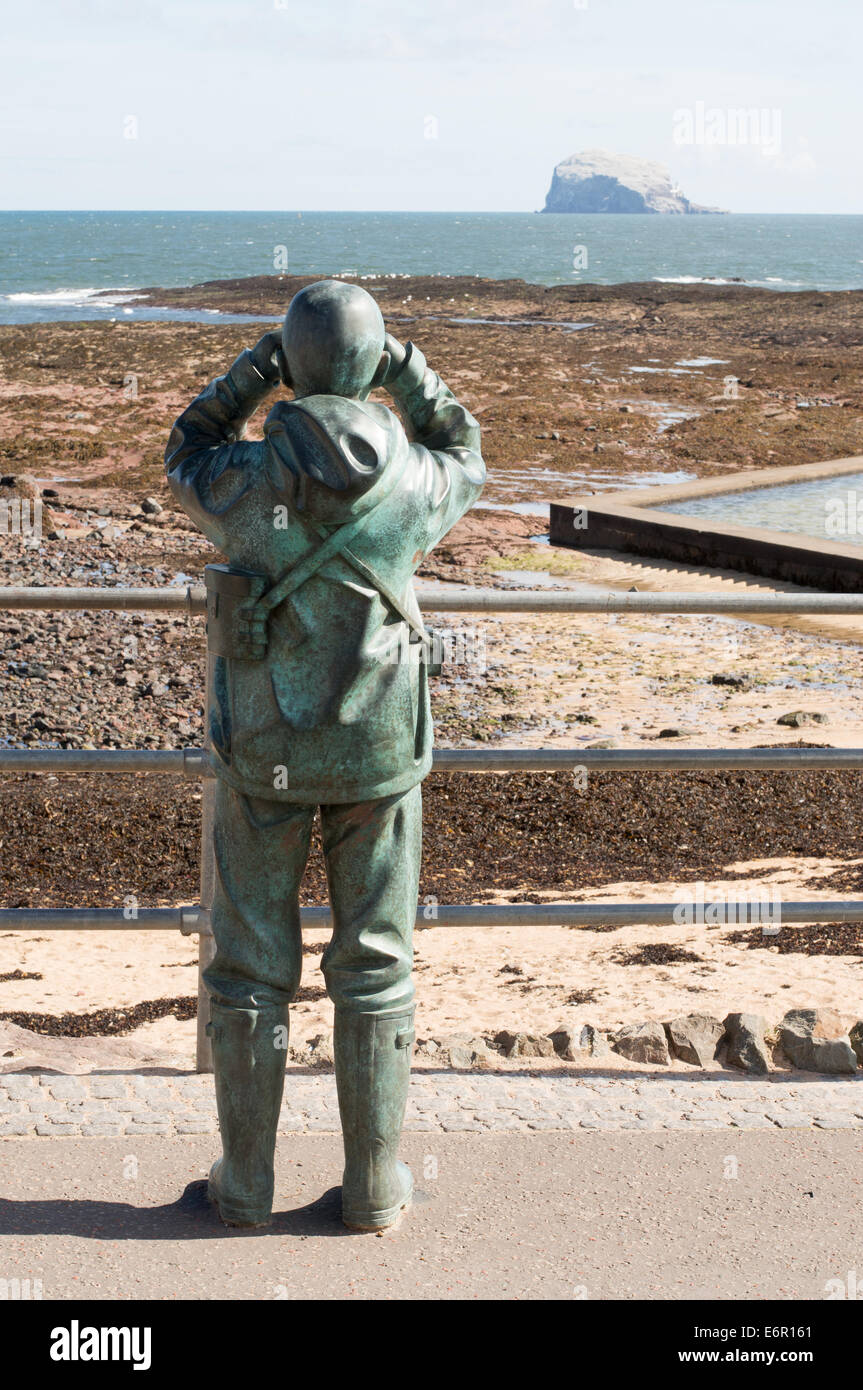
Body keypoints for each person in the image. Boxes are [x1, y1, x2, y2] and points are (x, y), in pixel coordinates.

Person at [165, 279, 485, 1230]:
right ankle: (376, 1188)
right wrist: (407, 373)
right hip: (380, 752)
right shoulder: (417, 484)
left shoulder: (242, 482)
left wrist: (254, 371)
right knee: (378, 964)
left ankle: (245, 1183)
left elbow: (183, 446)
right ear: (374, 365)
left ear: (292, 369)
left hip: (262, 749)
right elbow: (465, 447)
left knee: (248, 966)